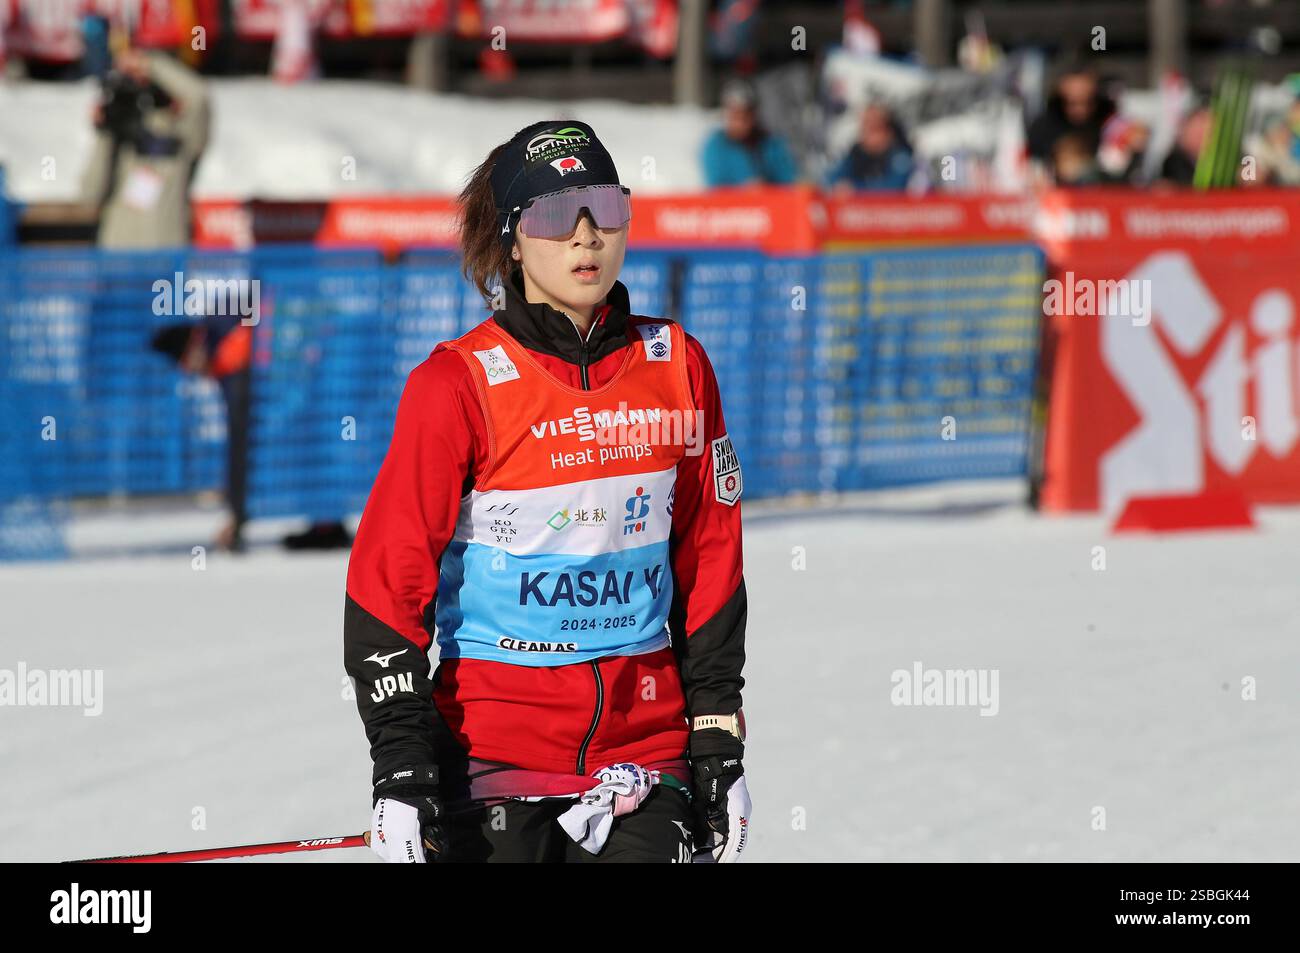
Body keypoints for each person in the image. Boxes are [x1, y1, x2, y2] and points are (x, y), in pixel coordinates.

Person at [345, 120, 751, 863]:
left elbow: (711, 559)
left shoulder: (678, 366)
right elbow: (387, 584)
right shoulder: (455, 385)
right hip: (490, 759)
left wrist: (718, 737)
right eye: (557, 215)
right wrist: (401, 766)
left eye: (605, 206)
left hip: (643, 757)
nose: (587, 235)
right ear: (512, 239)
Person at [79, 42, 209, 249]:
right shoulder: (118, 133)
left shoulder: (184, 134)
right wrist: (105, 134)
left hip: (166, 258)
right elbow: (89, 195)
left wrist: (150, 64)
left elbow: (199, 98)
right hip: (119, 262)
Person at [701, 79, 799, 186]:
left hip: (769, 201)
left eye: (746, 115)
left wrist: (766, 188)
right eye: (736, 115)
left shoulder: (771, 144)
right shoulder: (716, 146)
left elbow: (788, 181)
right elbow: (715, 189)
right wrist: (744, 192)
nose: (741, 122)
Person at [824, 103, 914, 193]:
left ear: (888, 132)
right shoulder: (857, 154)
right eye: (865, 127)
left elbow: (893, 187)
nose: (867, 134)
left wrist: (855, 188)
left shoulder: (900, 156)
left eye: (874, 128)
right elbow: (831, 178)